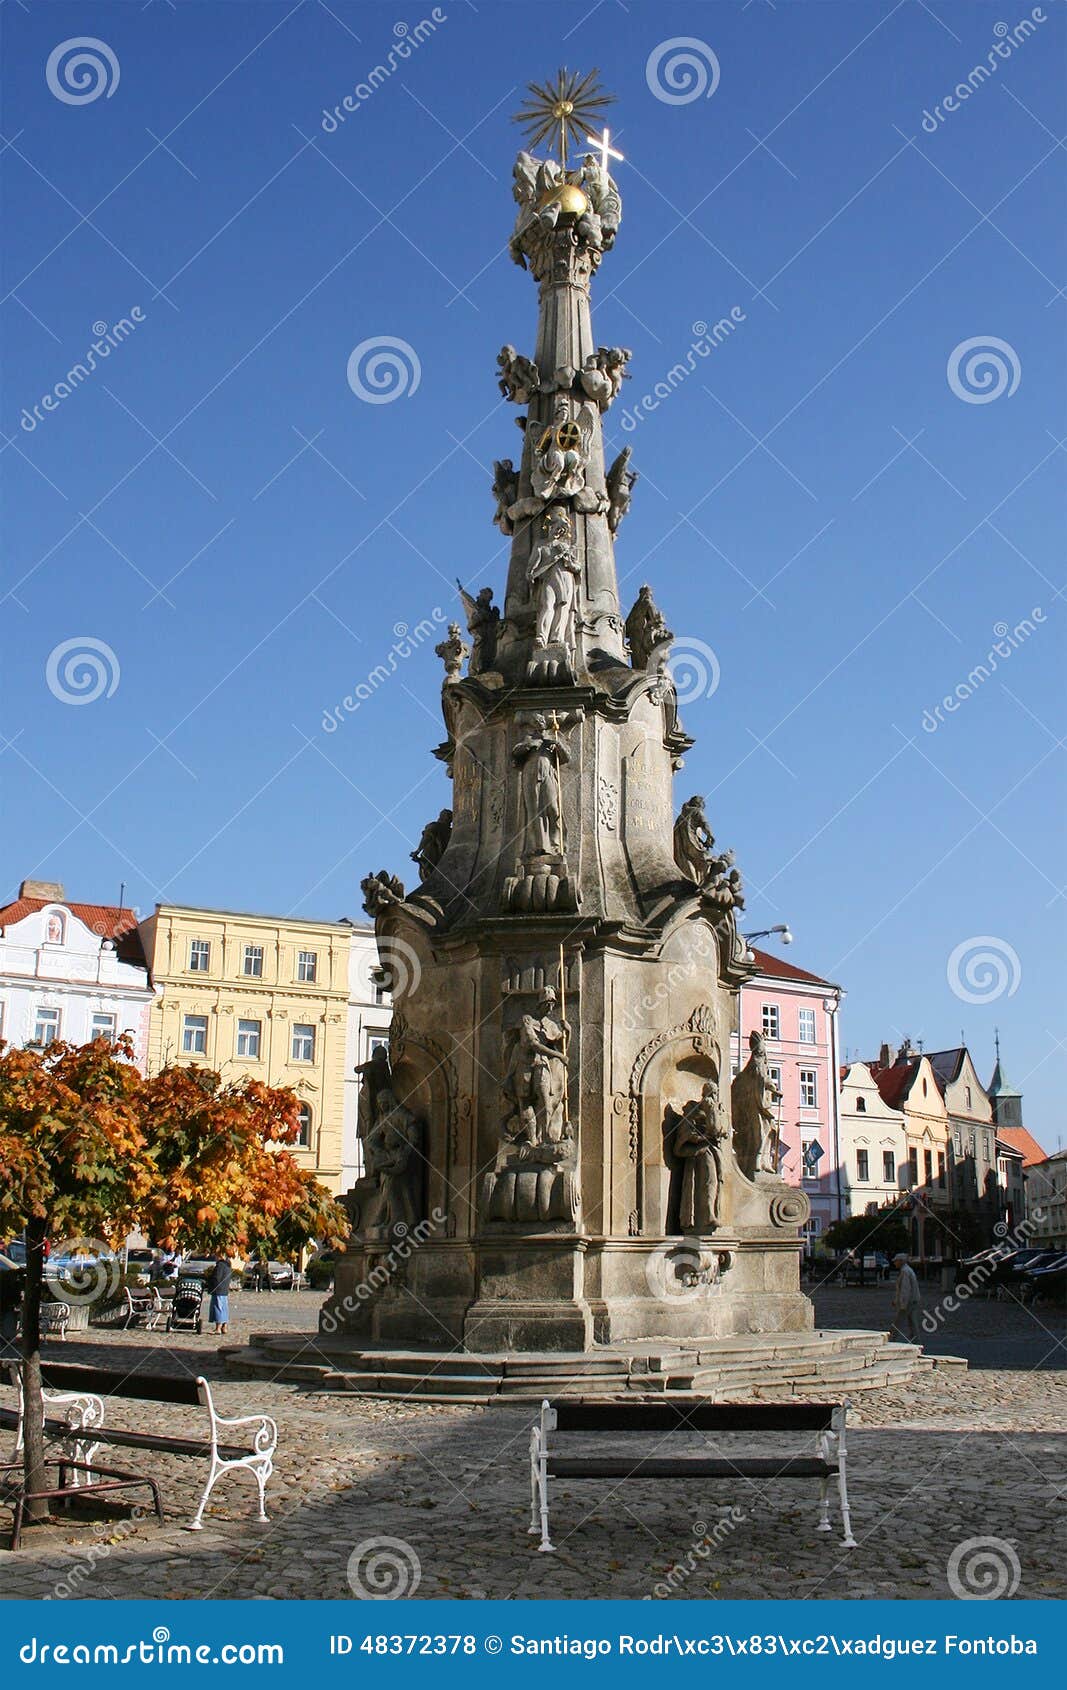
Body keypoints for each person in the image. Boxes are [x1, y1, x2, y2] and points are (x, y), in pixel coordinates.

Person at [891, 1251, 922, 1341]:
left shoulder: (905, 1271)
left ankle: (891, 1340)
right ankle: (916, 1341)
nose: (894, 1263)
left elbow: (905, 1289)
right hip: (913, 1300)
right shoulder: (908, 1270)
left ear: (901, 1261)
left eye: (896, 1261)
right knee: (913, 1323)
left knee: (898, 1322)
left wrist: (902, 1304)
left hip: (908, 1302)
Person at [205, 1254, 232, 1335]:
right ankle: (224, 1327)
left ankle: (218, 1328)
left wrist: (209, 1281)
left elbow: (217, 1278)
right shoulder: (228, 1265)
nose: (215, 1258)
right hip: (224, 1290)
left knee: (218, 1308)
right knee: (224, 1308)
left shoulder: (220, 1265)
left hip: (218, 1290)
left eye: (216, 1256)